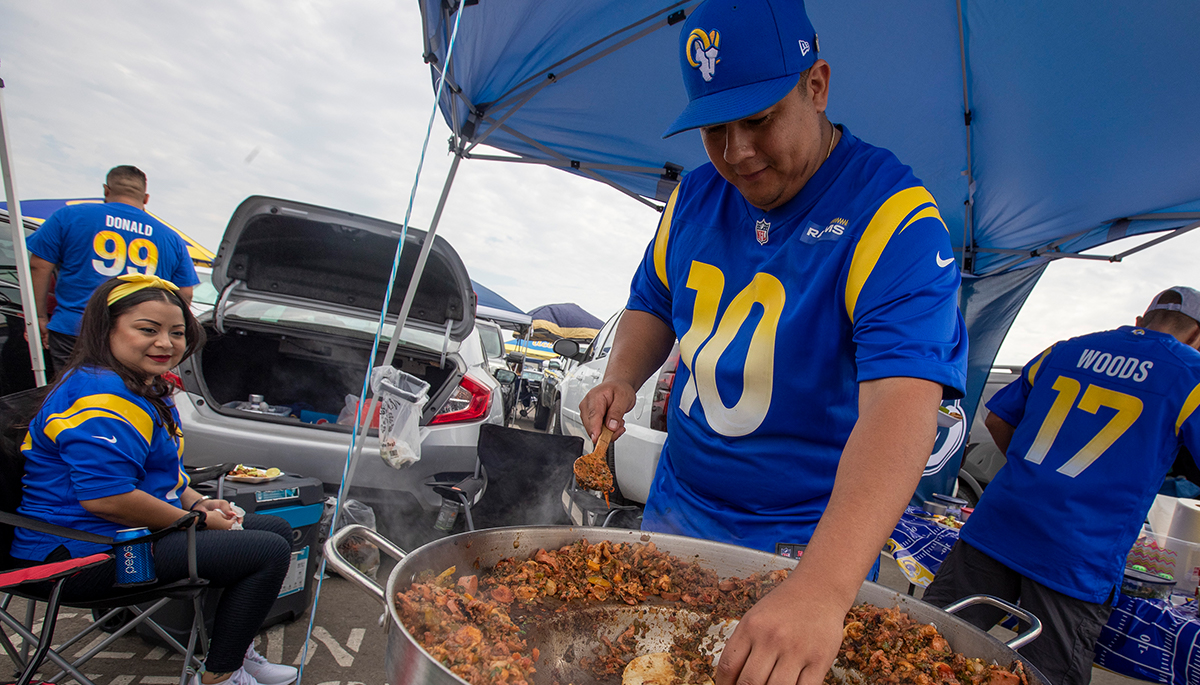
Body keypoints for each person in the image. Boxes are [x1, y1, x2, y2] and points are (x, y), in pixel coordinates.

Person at [578, 1, 968, 683]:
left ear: (816, 86)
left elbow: (902, 405)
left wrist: (823, 588)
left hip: (800, 548)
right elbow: (653, 300)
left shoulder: (895, 216)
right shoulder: (696, 197)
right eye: (714, 129)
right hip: (677, 505)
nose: (737, 153)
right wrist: (622, 376)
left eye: (758, 120)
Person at [11, 274, 296, 685]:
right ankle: (221, 676)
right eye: (147, 330)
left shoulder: (142, 387)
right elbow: (106, 499)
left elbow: (162, 474)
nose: (166, 343)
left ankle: (233, 650)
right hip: (78, 555)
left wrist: (196, 502)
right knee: (263, 551)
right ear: (106, 329)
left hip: (125, 536)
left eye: (177, 332)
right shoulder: (100, 399)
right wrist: (196, 523)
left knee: (275, 528)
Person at [924, 286, 1200, 685]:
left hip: (999, 525)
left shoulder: (1066, 350)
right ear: (1196, 337)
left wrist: (1034, 474)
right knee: (1044, 675)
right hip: (1076, 554)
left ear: (1141, 321)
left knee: (929, 643)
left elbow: (999, 419)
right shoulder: (1189, 372)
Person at [26, 165, 200, 373]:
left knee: (73, 394)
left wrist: (38, 316)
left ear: (106, 190)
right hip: (137, 338)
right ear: (145, 198)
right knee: (127, 395)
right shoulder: (170, 237)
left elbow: (38, 266)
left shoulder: (69, 216)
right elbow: (185, 293)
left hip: (74, 328)